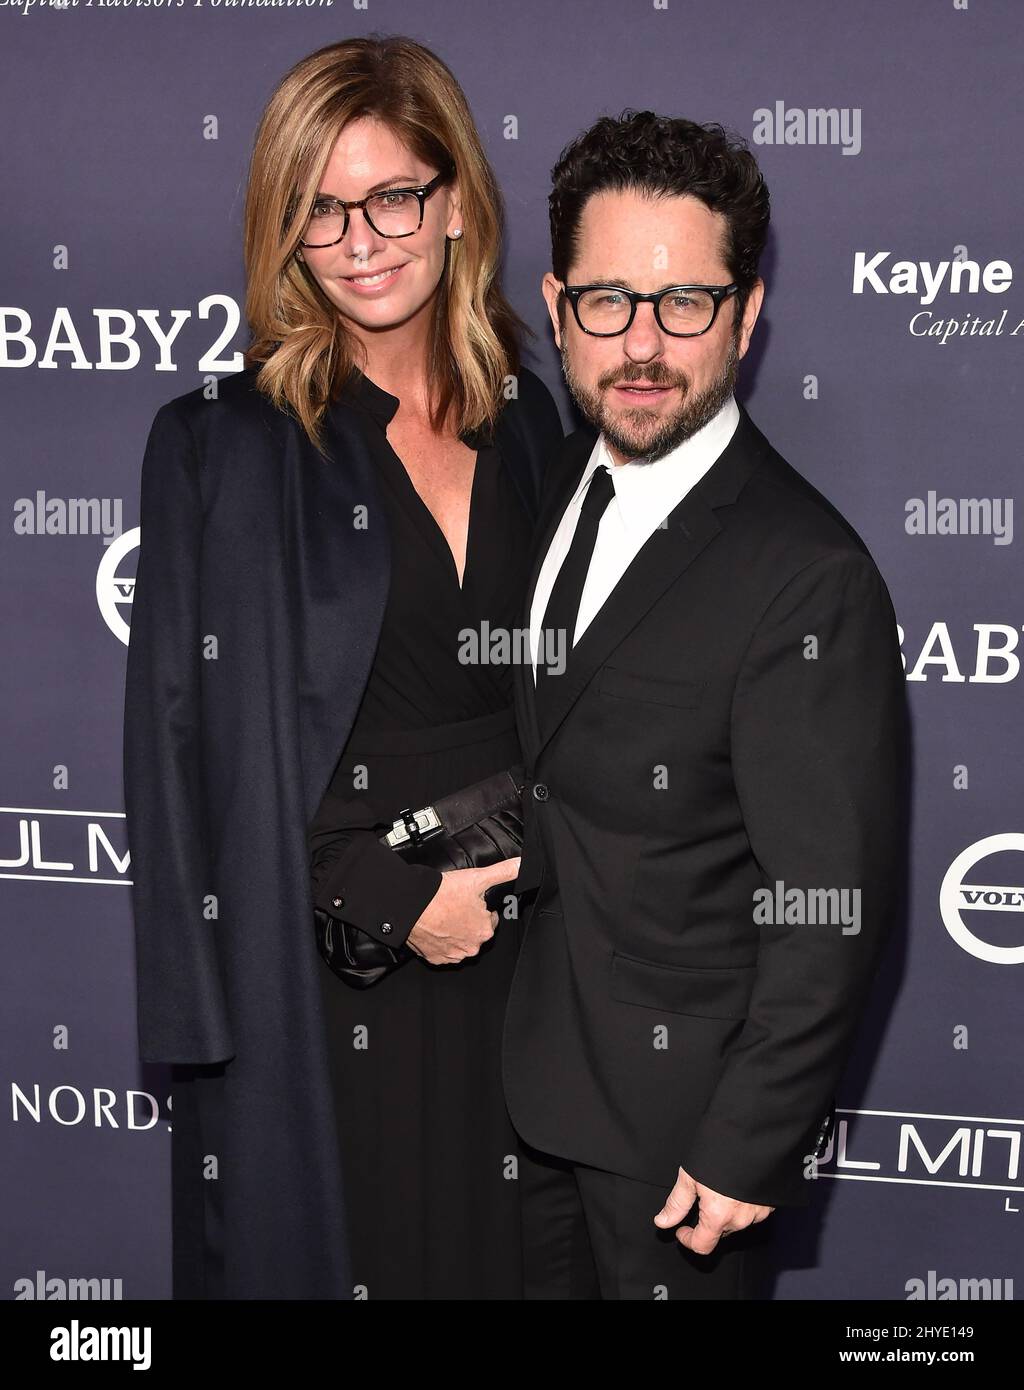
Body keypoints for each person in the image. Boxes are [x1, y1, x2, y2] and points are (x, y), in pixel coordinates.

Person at [123, 35, 562, 1300]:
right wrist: (383, 896)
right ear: (285, 233)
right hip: (323, 972)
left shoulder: (532, 420)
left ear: (456, 202)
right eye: (319, 208)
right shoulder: (228, 445)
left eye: (391, 196)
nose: (360, 236)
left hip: (522, 963)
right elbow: (185, 751)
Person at [502, 110, 910, 1300]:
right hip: (526, 1100)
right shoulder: (549, 483)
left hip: (682, 1150)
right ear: (556, 303)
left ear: (743, 314)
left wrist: (748, 1140)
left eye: (684, 303)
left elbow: (829, 893)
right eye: (607, 300)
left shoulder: (805, 571)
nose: (642, 344)